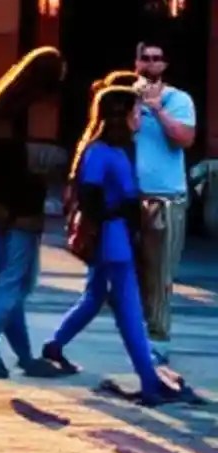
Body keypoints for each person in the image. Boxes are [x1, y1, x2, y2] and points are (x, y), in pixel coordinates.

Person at [41, 86, 190, 405]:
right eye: (136, 113)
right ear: (120, 116)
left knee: (96, 296)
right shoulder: (102, 151)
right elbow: (91, 197)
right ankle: (150, 382)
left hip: (116, 237)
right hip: (114, 241)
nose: (140, 118)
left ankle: (55, 346)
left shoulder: (115, 149)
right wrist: (121, 212)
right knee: (130, 313)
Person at [0, 47, 68, 379]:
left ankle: (24, 355)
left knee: (6, 282)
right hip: (21, 209)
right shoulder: (32, 113)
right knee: (15, 281)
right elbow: (21, 165)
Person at [131, 42, 196, 365]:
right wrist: (135, 103)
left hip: (166, 199)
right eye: (145, 58)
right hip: (129, 200)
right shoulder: (123, 97)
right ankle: (137, 339)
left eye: (157, 59)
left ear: (165, 64)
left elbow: (184, 138)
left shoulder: (179, 99)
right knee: (129, 274)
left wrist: (157, 108)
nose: (151, 64)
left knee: (160, 274)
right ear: (136, 62)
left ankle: (158, 343)